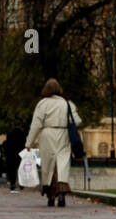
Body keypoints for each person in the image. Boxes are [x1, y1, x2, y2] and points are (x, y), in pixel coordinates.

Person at [26, 78, 82, 208]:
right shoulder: (67, 104)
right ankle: (61, 194)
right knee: (61, 165)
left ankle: (50, 196)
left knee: (48, 166)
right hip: (63, 134)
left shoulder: (42, 104)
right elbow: (77, 121)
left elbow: (35, 125)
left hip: (47, 135)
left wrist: (29, 143)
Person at [3, 120, 25, 193]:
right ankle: (21, 184)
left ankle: (13, 184)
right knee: (20, 169)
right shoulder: (22, 133)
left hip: (11, 154)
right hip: (20, 154)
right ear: (20, 125)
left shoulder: (10, 133)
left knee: (12, 170)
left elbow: (7, 144)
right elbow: (24, 143)